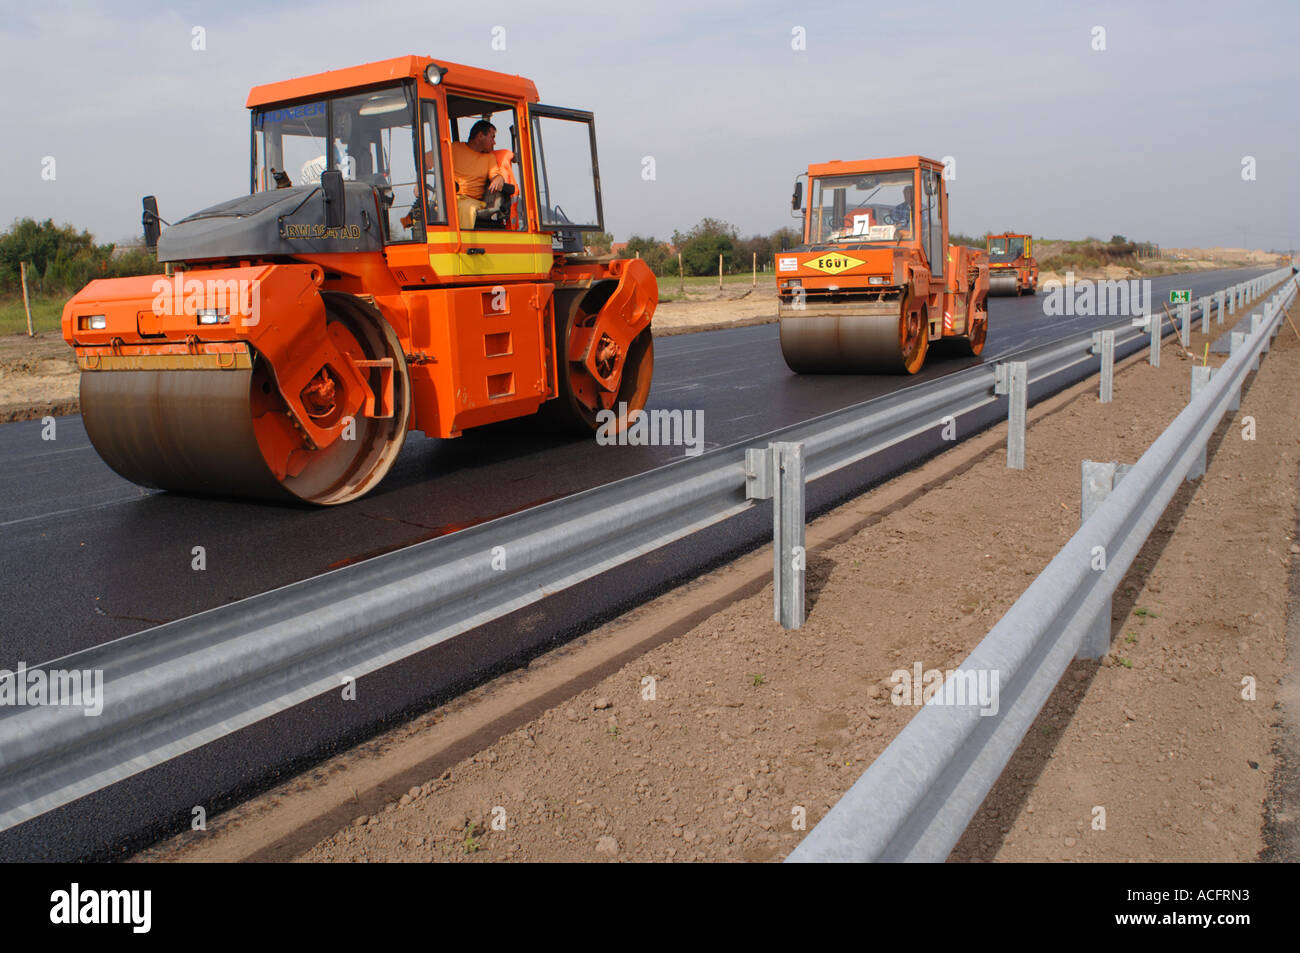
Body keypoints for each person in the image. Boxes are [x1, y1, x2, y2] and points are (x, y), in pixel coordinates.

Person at [438, 120, 508, 228]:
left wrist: (499, 178)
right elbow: (428, 160)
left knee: (465, 207)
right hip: (449, 198)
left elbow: (496, 175)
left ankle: (462, 243)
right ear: (480, 136)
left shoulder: (489, 158)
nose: (494, 142)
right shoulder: (454, 148)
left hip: (471, 201)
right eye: (492, 137)